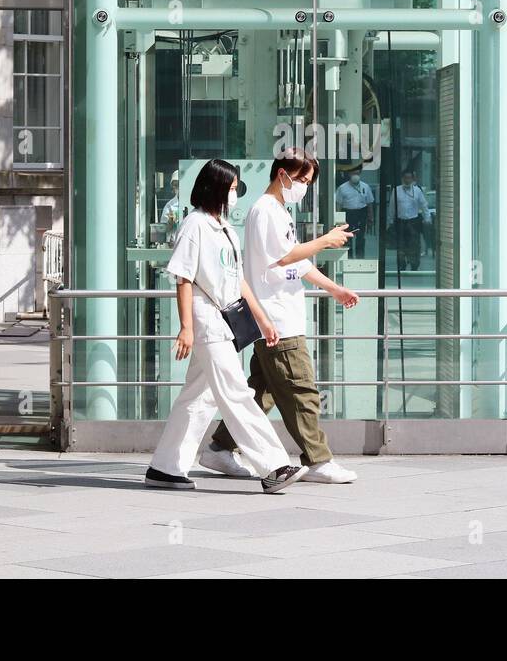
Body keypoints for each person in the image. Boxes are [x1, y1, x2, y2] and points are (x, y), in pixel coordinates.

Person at [146, 158, 309, 494]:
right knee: (235, 392)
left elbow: (239, 281)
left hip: (222, 320)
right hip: (207, 322)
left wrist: (262, 318)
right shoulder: (194, 226)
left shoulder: (224, 228)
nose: (235, 195)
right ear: (217, 187)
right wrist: (186, 328)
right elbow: (183, 279)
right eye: (233, 188)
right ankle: (273, 464)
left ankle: (165, 467)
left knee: (198, 397)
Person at [203, 148, 361, 484]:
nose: (304, 186)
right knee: (301, 391)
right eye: (302, 180)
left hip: (278, 319)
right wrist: (325, 241)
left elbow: (297, 262)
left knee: (262, 393)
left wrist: (334, 288)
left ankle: (219, 449)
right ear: (282, 175)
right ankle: (318, 460)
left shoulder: (277, 211)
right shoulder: (266, 211)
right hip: (277, 320)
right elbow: (286, 257)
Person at [387, 170, 430, 271]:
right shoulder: (396, 190)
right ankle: (402, 264)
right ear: (402, 178)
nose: (407, 180)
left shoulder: (417, 191)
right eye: (405, 177)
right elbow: (392, 207)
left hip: (413, 221)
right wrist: (390, 221)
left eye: (409, 178)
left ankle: (414, 265)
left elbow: (424, 205)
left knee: (414, 245)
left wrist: (427, 218)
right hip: (400, 221)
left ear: (412, 179)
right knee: (401, 245)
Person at [334, 170, 374, 257]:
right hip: (348, 213)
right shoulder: (342, 188)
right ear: (349, 174)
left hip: (361, 212)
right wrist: (338, 219)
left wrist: (370, 217)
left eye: (357, 173)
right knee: (348, 236)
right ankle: (349, 256)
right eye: (353, 173)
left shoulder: (365, 187)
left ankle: (360, 256)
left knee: (360, 237)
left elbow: (369, 203)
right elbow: (338, 204)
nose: (355, 175)